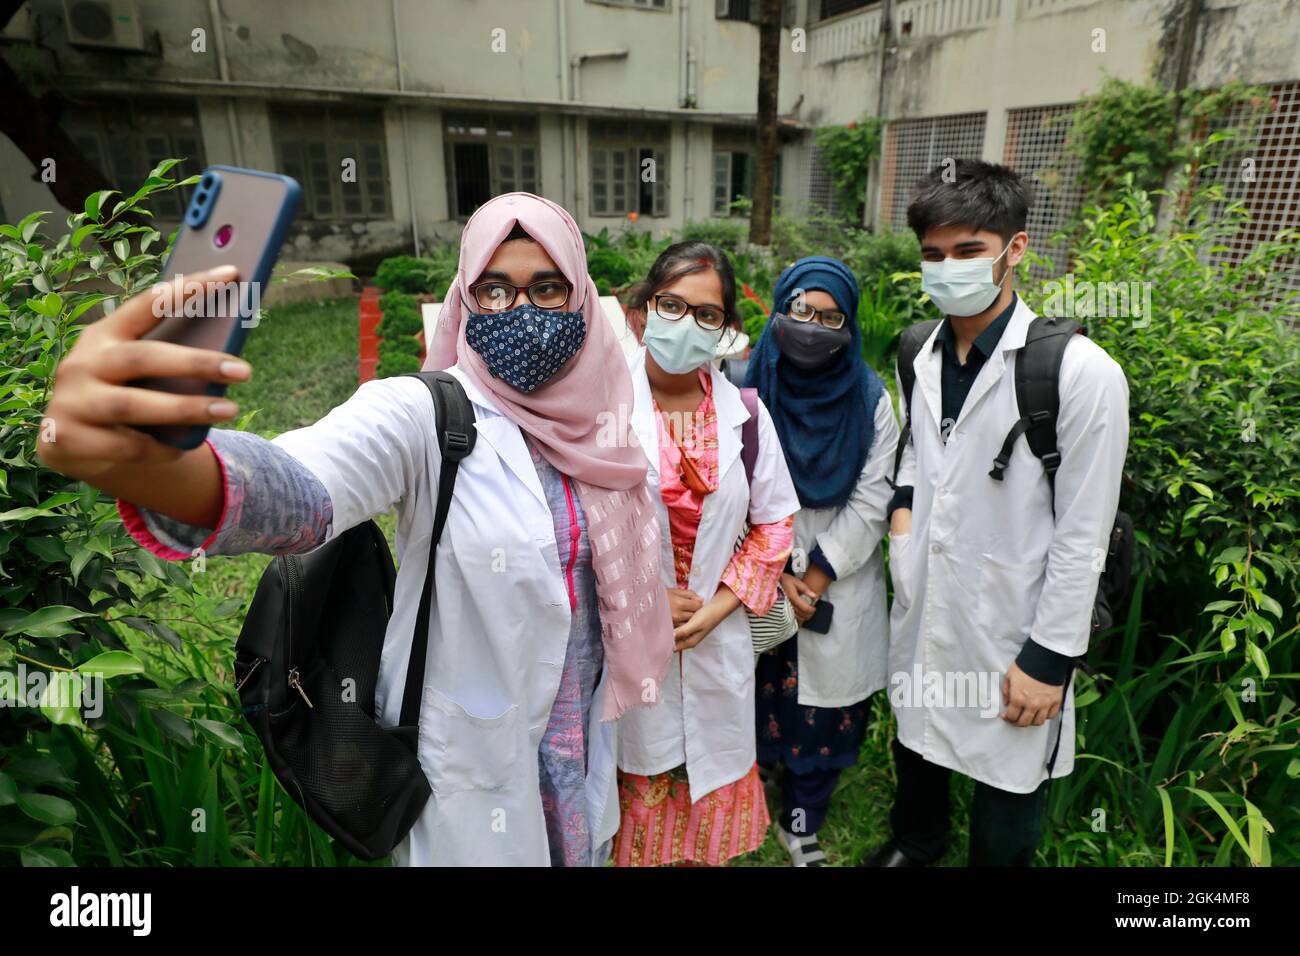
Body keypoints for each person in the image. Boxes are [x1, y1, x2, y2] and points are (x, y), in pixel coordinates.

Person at [36, 191, 675, 867]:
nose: (521, 311)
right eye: (495, 290)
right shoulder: (427, 416)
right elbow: (304, 488)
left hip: (582, 755)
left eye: (547, 287)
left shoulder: (610, 422)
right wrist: (157, 466)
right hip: (474, 769)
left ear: (580, 294)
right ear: (466, 298)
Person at [866, 160, 1129, 867]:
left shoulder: (1079, 373)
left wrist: (1048, 659)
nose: (946, 268)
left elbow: (1084, 532)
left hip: (1018, 613)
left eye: (967, 250)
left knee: (1010, 764)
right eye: (932, 254)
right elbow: (920, 453)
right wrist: (903, 523)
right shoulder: (918, 347)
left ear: (1014, 250)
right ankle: (916, 844)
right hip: (929, 591)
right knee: (918, 725)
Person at [612, 241, 800, 866]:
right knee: (630, 809)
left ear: (726, 331)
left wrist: (716, 609)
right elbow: (573, 527)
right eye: (672, 305)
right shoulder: (598, 412)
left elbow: (774, 524)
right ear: (641, 312)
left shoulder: (745, 414)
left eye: (708, 314)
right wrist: (641, 600)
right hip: (626, 648)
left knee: (702, 829)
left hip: (716, 646)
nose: (687, 324)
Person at [745, 256, 899, 867]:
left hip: (836, 581)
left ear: (850, 325)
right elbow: (727, 486)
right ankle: (749, 806)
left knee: (822, 719)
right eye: (801, 311)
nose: (812, 326)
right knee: (755, 699)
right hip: (759, 572)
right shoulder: (746, 389)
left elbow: (874, 496)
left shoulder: (870, 399)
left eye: (830, 317)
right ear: (780, 309)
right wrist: (772, 570)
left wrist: (813, 576)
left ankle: (800, 821)